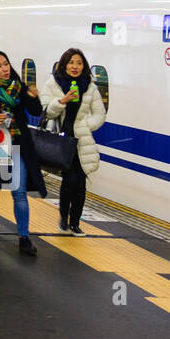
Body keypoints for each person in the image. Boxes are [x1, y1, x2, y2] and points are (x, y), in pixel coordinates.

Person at [0, 49, 48, 256]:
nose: (4, 69)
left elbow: (35, 112)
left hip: (18, 146)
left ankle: (24, 237)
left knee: (19, 191)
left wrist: (34, 98)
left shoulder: (19, 88)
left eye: (5, 64)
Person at [40, 47, 107, 236]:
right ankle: (63, 218)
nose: (75, 66)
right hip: (63, 140)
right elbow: (47, 111)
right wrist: (62, 100)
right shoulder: (53, 84)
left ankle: (75, 222)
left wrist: (85, 126)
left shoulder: (90, 87)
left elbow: (99, 114)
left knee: (81, 183)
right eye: (71, 63)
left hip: (82, 140)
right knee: (69, 181)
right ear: (64, 64)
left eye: (79, 63)